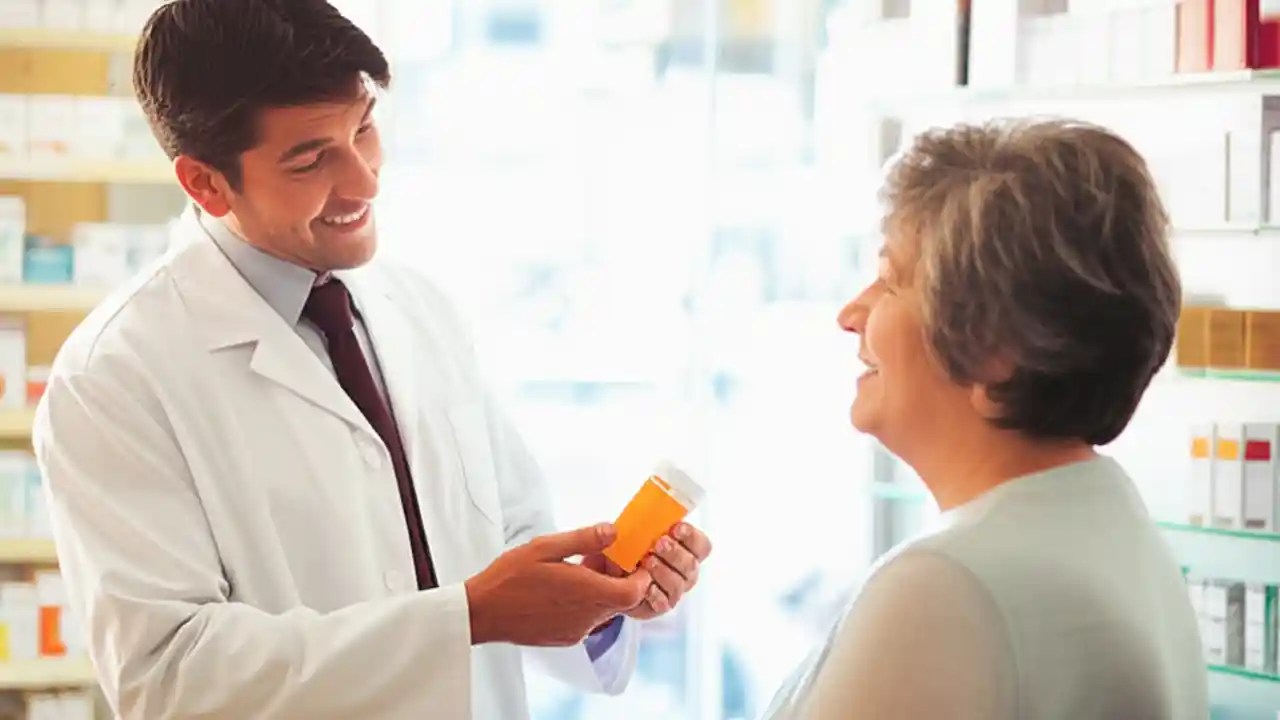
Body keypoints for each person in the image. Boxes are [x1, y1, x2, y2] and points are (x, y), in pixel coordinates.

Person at [32, 1, 712, 718]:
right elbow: (168, 675)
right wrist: (467, 617)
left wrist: (598, 589)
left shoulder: (419, 310)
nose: (364, 182)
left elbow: (509, 547)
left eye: (364, 130)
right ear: (205, 182)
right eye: (311, 158)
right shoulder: (114, 378)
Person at [764, 119, 1207, 719]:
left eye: (892, 282)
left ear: (996, 353)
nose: (850, 314)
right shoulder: (1115, 529)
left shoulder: (943, 586)